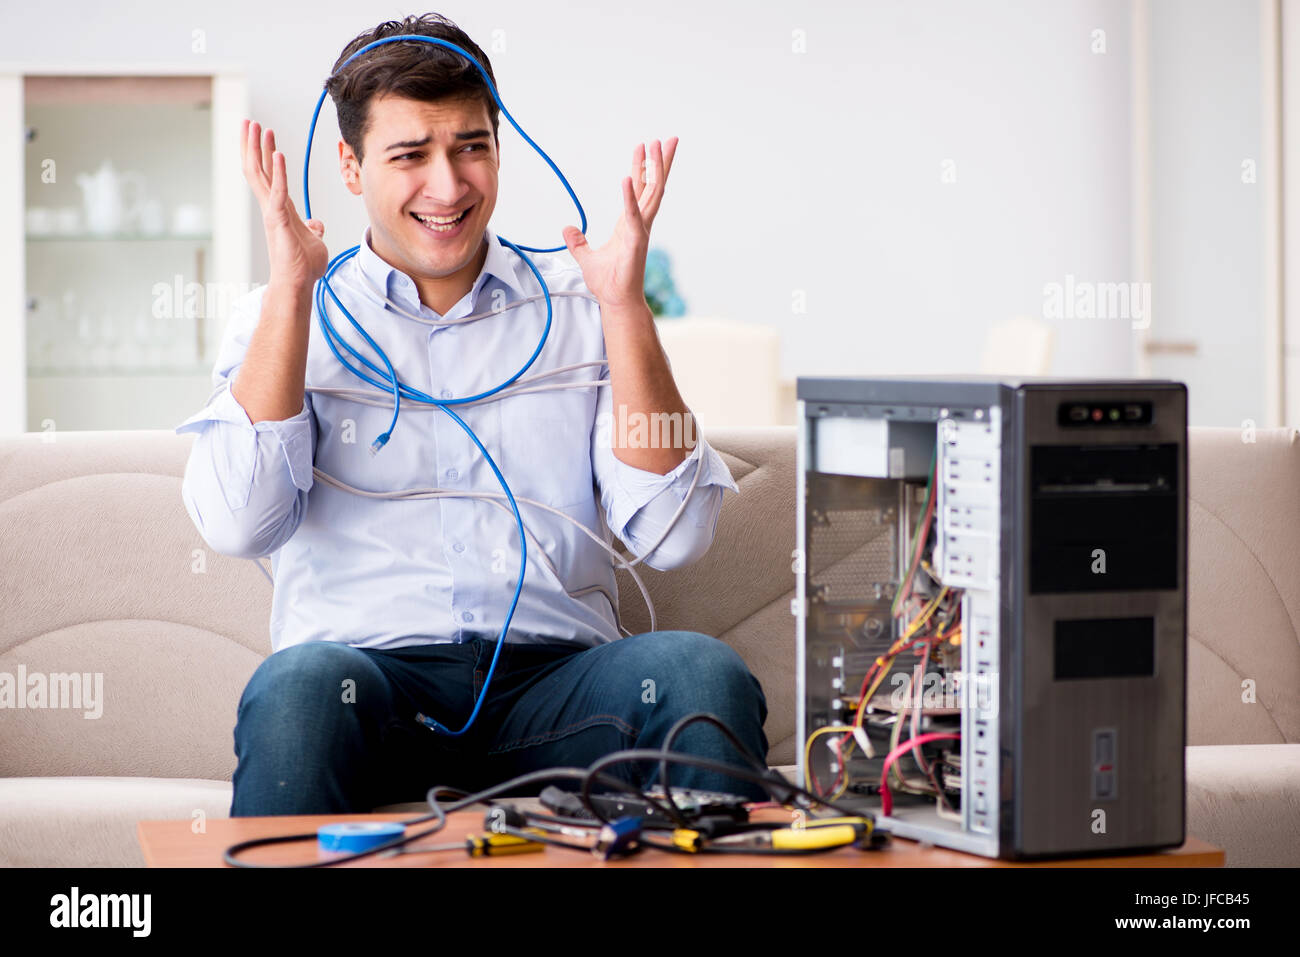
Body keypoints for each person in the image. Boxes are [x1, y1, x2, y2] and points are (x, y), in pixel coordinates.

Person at [175, 12, 770, 816]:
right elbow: (240, 525)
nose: (448, 186)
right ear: (349, 167)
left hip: (556, 690)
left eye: (470, 147)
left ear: (499, 146)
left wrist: (625, 306)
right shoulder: (284, 315)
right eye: (410, 155)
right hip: (368, 688)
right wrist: (291, 293)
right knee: (300, 684)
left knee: (702, 674)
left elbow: (674, 536)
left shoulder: (582, 306)